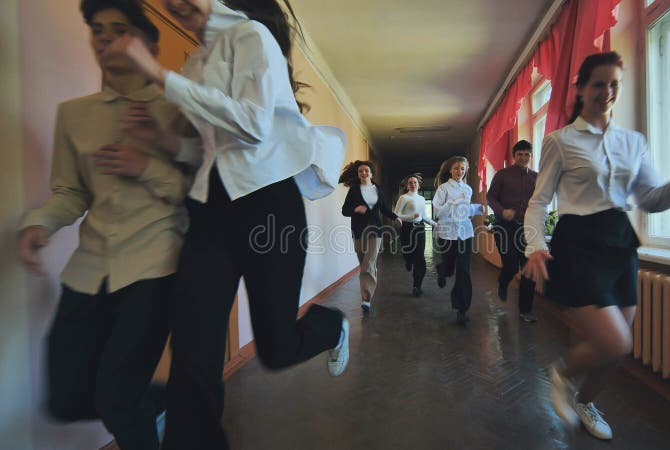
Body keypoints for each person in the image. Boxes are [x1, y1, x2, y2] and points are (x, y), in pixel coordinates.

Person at [104, 1, 349, 448]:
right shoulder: (198, 59)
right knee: (195, 349)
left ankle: (332, 327)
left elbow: (254, 127)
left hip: (270, 207)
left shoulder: (251, 36)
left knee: (275, 349)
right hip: (211, 210)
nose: (175, 5)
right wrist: (162, 142)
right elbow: (213, 155)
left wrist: (160, 75)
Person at [16, 1, 193, 448]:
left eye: (119, 30)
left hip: (155, 268)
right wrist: (40, 225)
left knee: (116, 397)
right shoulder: (74, 115)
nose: (106, 40)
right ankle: (166, 401)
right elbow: (71, 192)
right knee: (65, 399)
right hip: (89, 268)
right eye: (97, 30)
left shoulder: (180, 109)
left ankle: (147, 406)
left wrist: (146, 167)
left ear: (148, 44)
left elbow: (200, 196)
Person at [520, 51, 670, 441]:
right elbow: (539, 201)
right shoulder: (560, 140)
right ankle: (561, 372)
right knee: (614, 339)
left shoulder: (633, 141)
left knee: (618, 349)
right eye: (598, 84)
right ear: (580, 88)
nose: (606, 92)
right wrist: (535, 246)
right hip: (578, 242)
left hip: (620, 242)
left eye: (614, 84)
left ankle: (585, 402)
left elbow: (651, 199)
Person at [486, 139, 538, 323]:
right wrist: (502, 211)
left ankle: (525, 311)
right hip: (504, 226)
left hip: (528, 228)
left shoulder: (537, 177)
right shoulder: (502, 175)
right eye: (520, 154)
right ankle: (503, 281)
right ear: (514, 156)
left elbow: (541, 202)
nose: (523, 157)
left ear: (531, 156)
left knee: (529, 269)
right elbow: (490, 197)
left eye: (527, 155)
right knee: (509, 262)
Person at [340, 160, 402, 312]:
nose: (363, 173)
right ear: (358, 174)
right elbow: (344, 210)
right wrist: (356, 209)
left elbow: (385, 208)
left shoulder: (377, 189)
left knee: (368, 264)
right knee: (365, 263)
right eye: (360, 171)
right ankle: (369, 281)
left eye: (366, 171)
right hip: (359, 230)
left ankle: (366, 299)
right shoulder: (354, 190)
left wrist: (395, 217)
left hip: (375, 230)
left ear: (371, 173)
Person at [432, 156, 485, 324]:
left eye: (462, 168)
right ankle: (442, 271)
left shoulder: (468, 189)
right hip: (447, 233)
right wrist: (452, 204)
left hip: (465, 232)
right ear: (450, 170)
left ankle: (461, 308)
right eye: (456, 168)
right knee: (449, 268)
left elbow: (465, 211)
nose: (459, 171)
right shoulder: (443, 189)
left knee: (463, 270)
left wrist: (477, 209)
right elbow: (438, 214)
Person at [393, 173, 436, 297]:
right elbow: (396, 215)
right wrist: (411, 216)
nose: (413, 184)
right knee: (408, 253)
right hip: (406, 229)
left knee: (420, 258)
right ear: (407, 185)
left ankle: (417, 286)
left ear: (419, 185)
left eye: (415, 182)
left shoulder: (422, 199)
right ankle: (408, 260)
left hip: (419, 229)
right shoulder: (404, 198)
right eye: (410, 183)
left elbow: (424, 216)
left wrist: (435, 224)